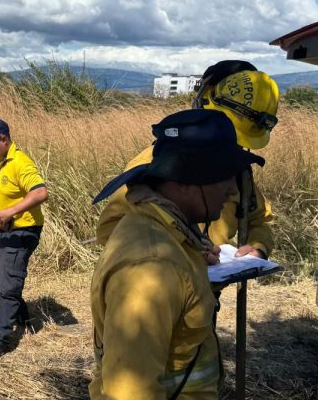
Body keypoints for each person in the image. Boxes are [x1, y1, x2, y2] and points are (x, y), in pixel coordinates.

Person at [88, 109, 275, 400]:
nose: (232, 189)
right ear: (187, 183)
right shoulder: (152, 266)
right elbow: (128, 387)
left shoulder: (162, 232)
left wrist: (197, 253)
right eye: (222, 179)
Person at [95, 62, 279, 260]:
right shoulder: (157, 165)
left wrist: (258, 247)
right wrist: (187, 254)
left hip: (207, 287)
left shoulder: (239, 173)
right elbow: (109, 232)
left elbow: (260, 219)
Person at [0, 118, 48, 362]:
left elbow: (40, 192)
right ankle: (21, 313)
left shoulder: (20, 163)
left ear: (3, 139)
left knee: (8, 285)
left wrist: (10, 211)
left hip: (22, 231)